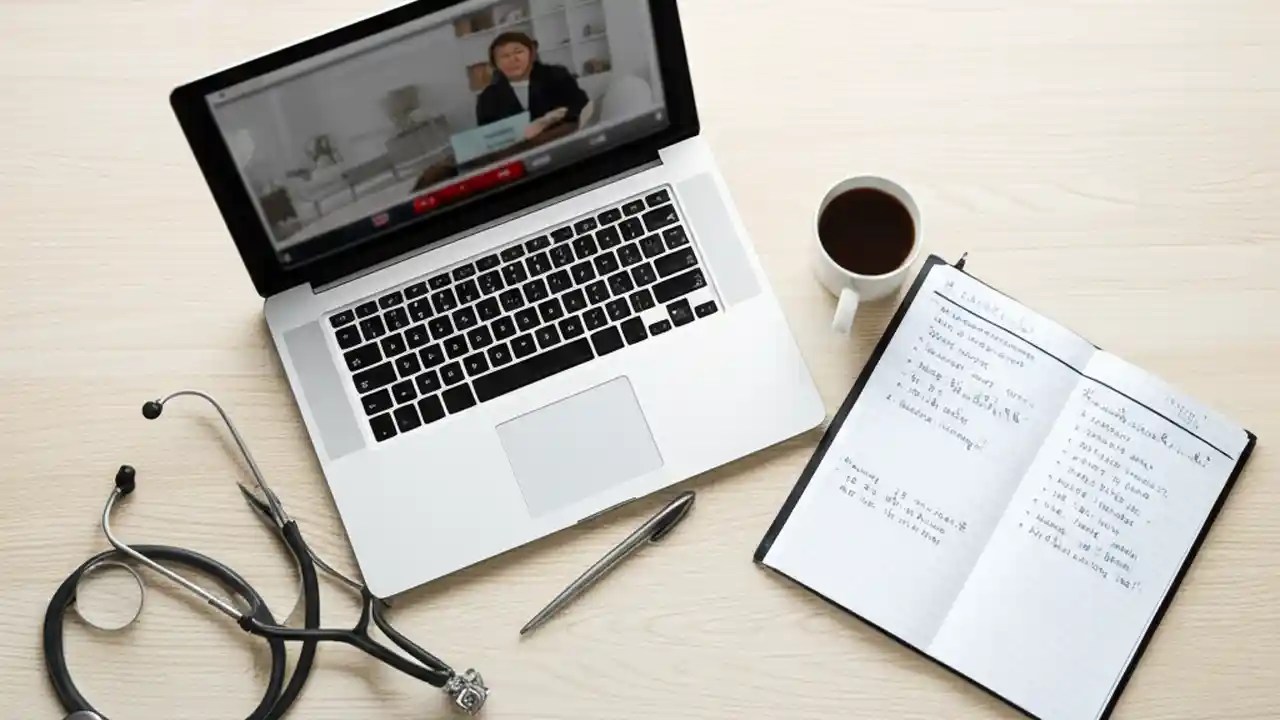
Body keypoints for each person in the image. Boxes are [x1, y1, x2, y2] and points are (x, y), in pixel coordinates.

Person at [476, 32, 589, 140]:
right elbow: (488, 137)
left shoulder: (556, 75)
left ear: (531, 54)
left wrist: (552, 118)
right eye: (505, 56)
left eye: (518, 52)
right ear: (496, 64)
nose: (513, 59)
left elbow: (581, 103)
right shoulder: (488, 97)